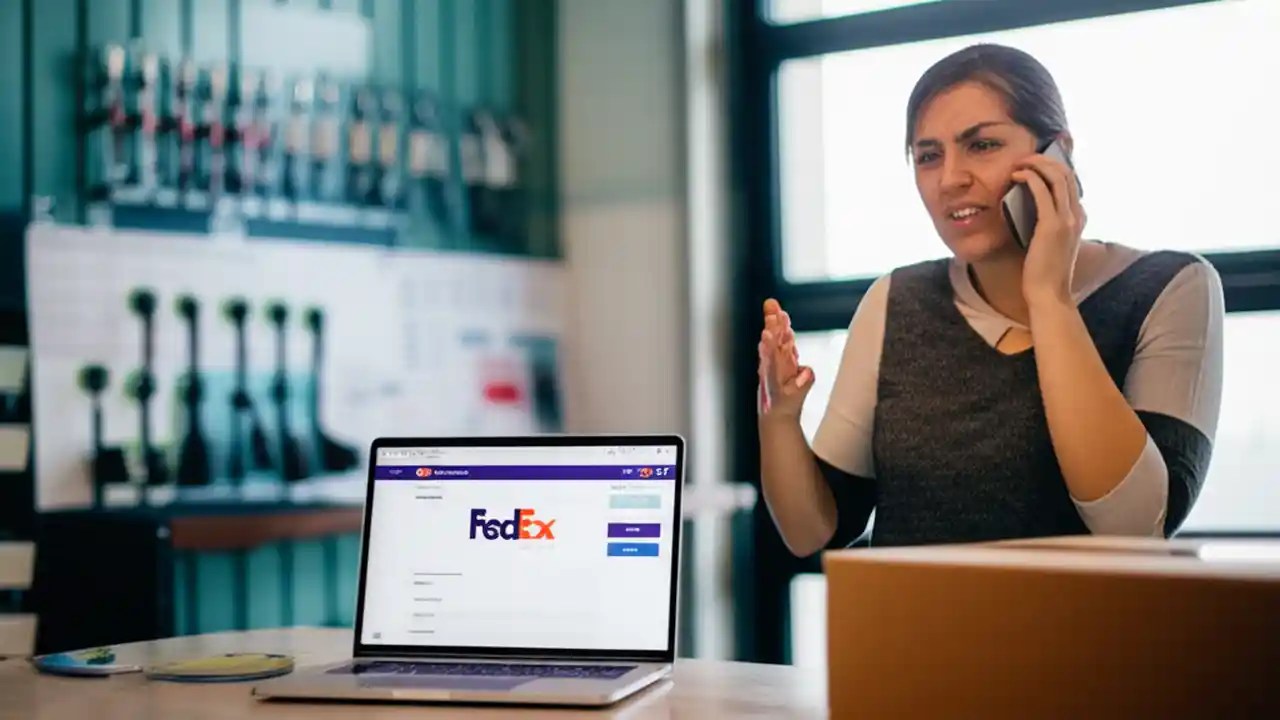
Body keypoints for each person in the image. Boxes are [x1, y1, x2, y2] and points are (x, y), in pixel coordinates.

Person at [757, 43, 1224, 555]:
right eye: (928, 156)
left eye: (982, 145)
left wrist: (1049, 297)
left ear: (1059, 154)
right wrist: (780, 419)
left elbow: (1136, 527)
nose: (951, 179)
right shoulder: (896, 299)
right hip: (907, 612)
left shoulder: (1171, 287)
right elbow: (812, 533)